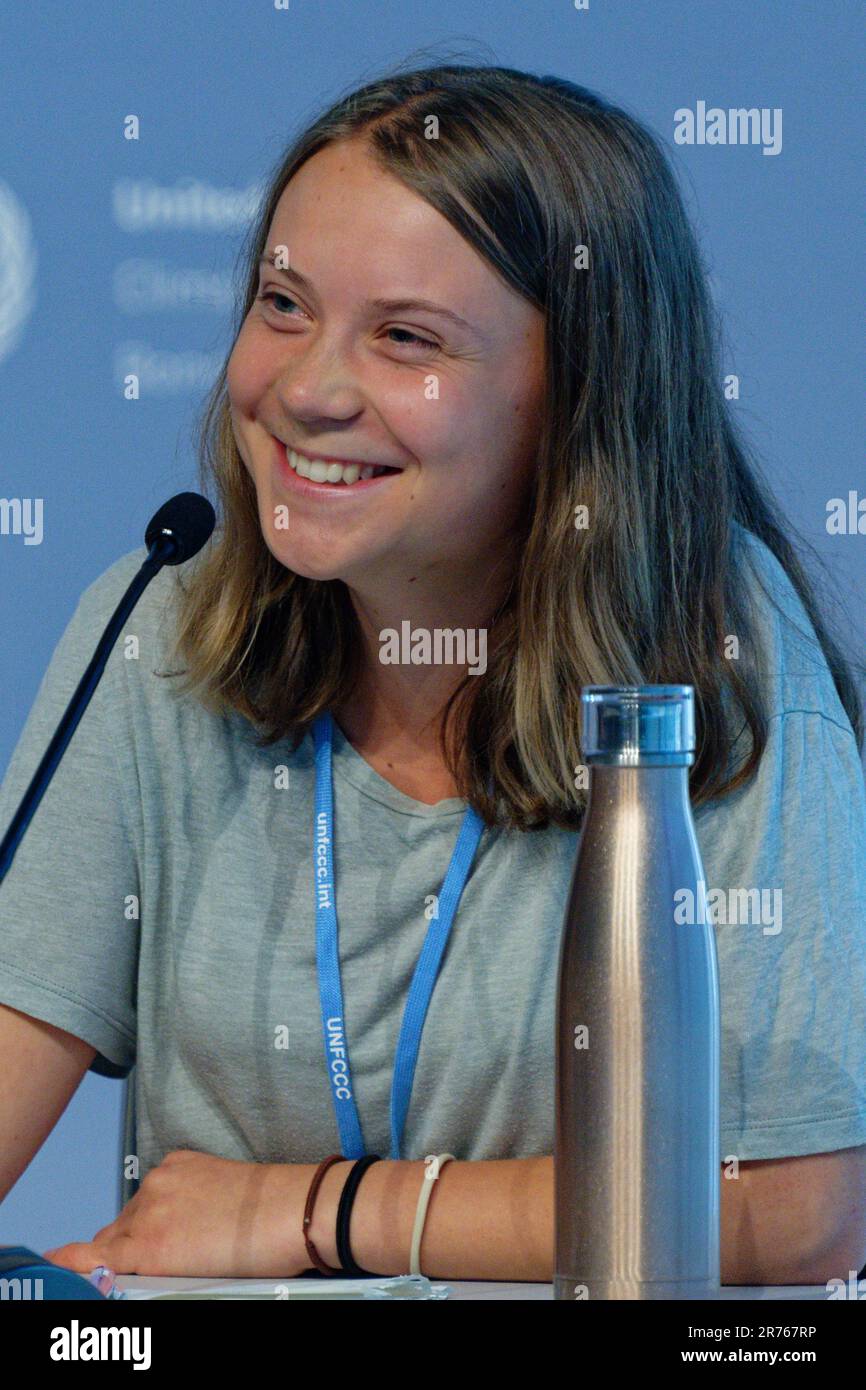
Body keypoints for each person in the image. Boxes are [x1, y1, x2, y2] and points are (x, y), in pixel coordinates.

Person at [1, 62, 865, 1286]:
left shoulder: (710, 652)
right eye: (283, 304)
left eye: (405, 338)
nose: (303, 389)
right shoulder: (161, 626)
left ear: (576, 393)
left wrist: (313, 1210)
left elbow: (789, 1209)